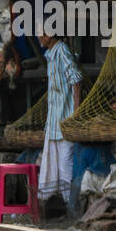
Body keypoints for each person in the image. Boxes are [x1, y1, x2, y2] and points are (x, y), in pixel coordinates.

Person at [38, 29, 83, 218]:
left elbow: (76, 79)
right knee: (55, 166)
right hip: (55, 123)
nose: (38, 37)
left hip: (65, 121)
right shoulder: (50, 54)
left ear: (49, 34)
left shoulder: (62, 50)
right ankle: (62, 207)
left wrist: (76, 112)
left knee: (65, 166)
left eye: (40, 33)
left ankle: (71, 208)